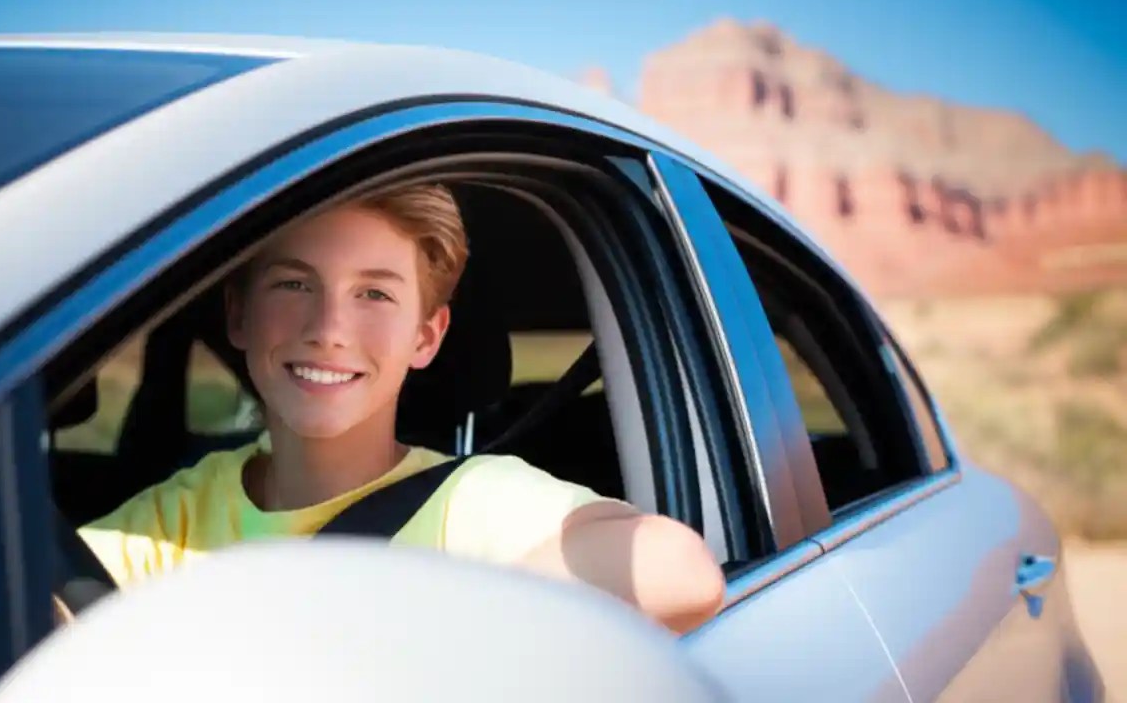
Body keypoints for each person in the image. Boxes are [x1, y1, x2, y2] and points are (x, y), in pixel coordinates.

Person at [79, 183, 725, 634]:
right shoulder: (175, 518)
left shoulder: (470, 504)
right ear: (239, 314)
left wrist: (410, 626)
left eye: (374, 295)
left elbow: (681, 572)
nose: (329, 327)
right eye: (295, 284)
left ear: (427, 337)